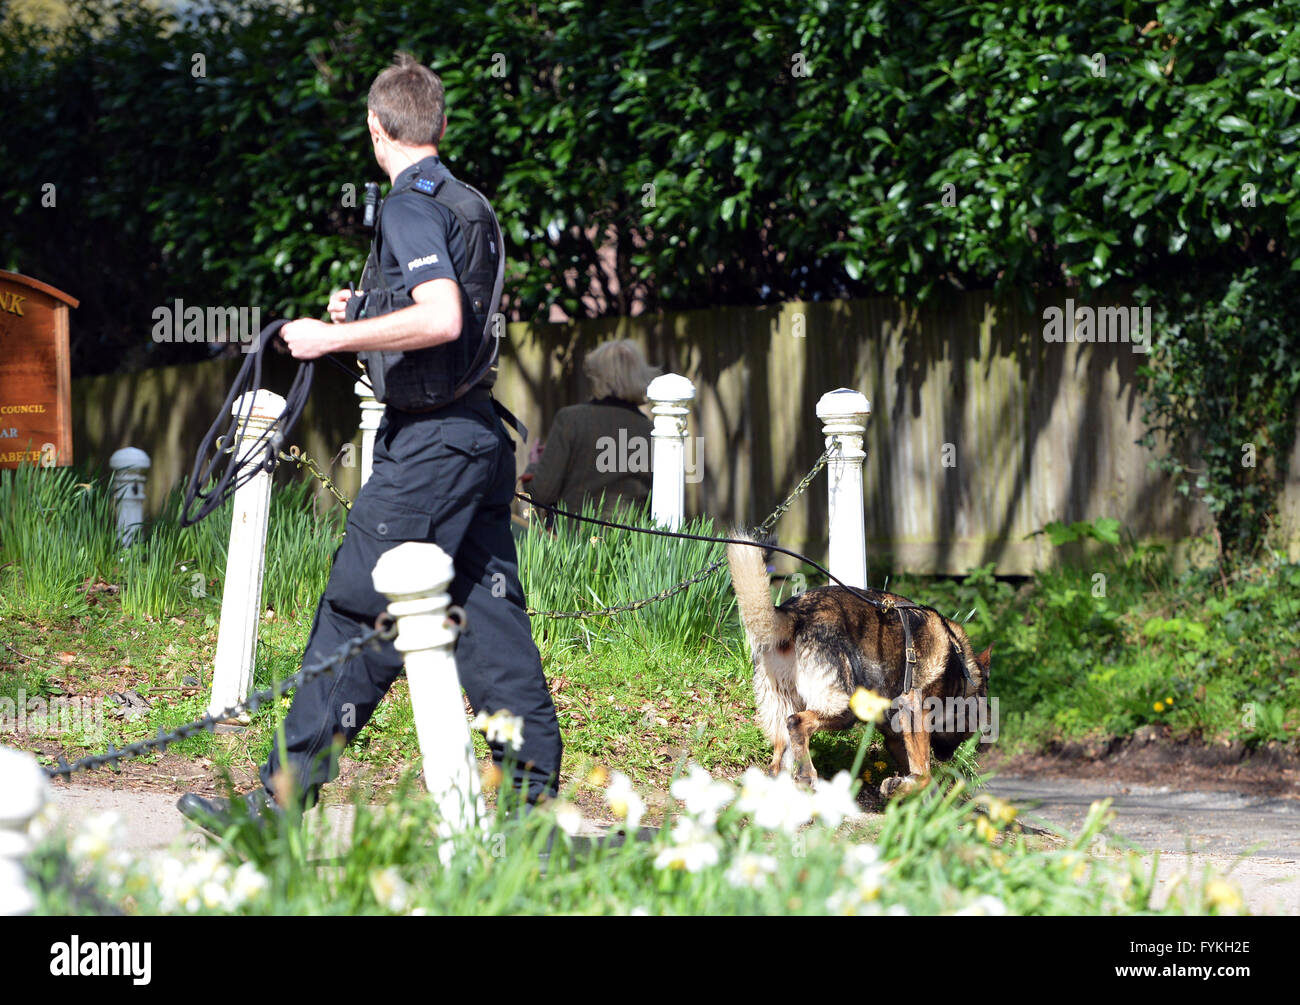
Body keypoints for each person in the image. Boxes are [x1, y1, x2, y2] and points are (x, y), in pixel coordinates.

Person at [178, 53, 562, 825]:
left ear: (376, 128)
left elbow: (443, 315)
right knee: (489, 621)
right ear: (442, 126)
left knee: (358, 609)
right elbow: (442, 313)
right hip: (475, 439)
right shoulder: (471, 203)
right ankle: (527, 813)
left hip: (430, 450)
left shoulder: (406, 205)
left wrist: (323, 337)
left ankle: (277, 808)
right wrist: (365, 314)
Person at [522, 339, 659, 521]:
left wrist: (534, 464)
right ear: (640, 378)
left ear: (596, 376)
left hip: (573, 544)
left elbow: (541, 493)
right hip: (631, 545)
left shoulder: (571, 420)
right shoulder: (651, 431)